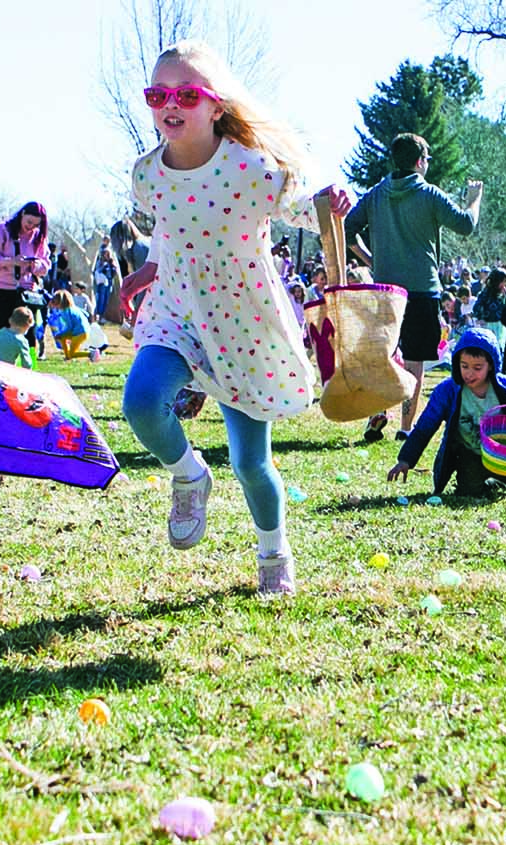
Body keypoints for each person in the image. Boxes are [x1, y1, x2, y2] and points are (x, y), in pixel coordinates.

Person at [120, 40, 349, 597]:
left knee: (251, 464)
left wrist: (333, 200)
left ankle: (274, 549)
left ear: (216, 105)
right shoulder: (147, 174)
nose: (169, 103)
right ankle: (189, 474)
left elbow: (307, 203)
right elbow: (169, 224)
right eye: (158, 94)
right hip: (176, 308)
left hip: (242, 321)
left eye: (185, 94)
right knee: (140, 402)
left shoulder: (253, 169)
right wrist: (147, 268)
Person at [346, 132, 482, 442]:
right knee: (415, 359)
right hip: (422, 288)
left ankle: (375, 414)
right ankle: (406, 427)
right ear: (420, 162)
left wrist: (372, 260)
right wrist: (474, 200)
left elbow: (349, 230)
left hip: (385, 289)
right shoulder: (429, 194)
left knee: (384, 352)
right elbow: (465, 225)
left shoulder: (376, 194)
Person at [388, 326, 506, 495]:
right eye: (464, 366)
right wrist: (406, 460)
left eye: (477, 368)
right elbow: (425, 427)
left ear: (491, 366)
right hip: (469, 454)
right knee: (469, 490)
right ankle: (493, 485)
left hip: (505, 455)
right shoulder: (447, 391)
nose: (469, 374)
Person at [0, 201, 50, 344]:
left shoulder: (39, 237)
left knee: (29, 335)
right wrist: (12, 261)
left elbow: (45, 264)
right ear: (22, 214)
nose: (31, 227)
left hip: (26, 292)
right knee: (3, 334)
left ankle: (29, 365)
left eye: (36, 225)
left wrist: (34, 265)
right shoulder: (2, 230)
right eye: (29, 222)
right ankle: (3, 365)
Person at [46, 290, 93, 359]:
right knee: (62, 337)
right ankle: (67, 357)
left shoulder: (65, 312)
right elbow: (86, 314)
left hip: (80, 333)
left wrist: (61, 333)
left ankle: (91, 353)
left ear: (59, 303)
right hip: (85, 331)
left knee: (72, 353)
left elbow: (70, 327)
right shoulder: (73, 308)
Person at [92, 247, 118, 322]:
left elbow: (114, 272)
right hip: (102, 282)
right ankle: (98, 316)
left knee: (106, 300)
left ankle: (102, 316)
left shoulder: (111, 262)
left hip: (109, 282)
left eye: (108, 253)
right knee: (101, 299)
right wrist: (104, 267)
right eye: (106, 253)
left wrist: (113, 268)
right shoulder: (100, 262)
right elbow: (96, 271)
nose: (107, 255)